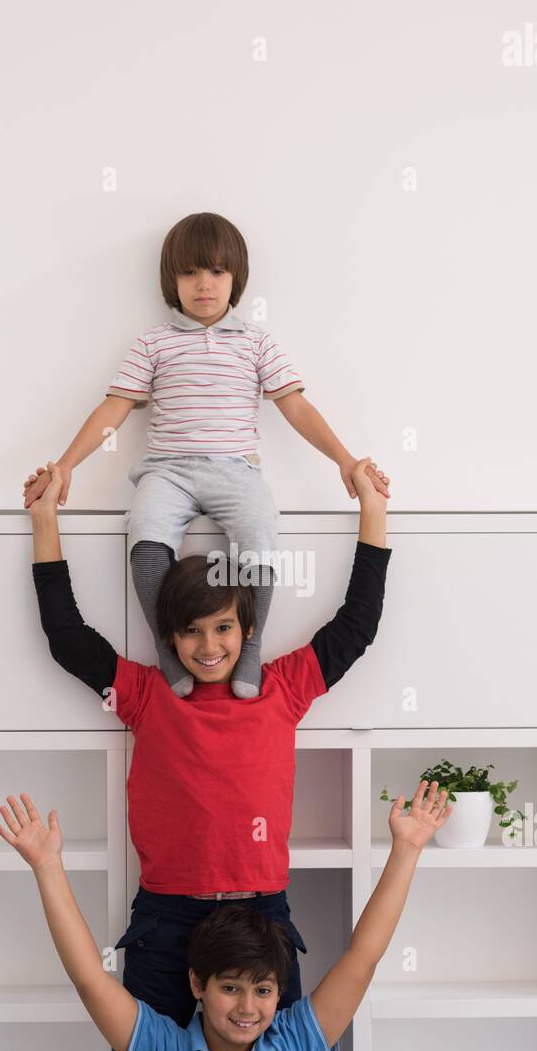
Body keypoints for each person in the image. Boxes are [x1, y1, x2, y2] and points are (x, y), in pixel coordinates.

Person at [28, 455, 391, 1051]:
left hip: (261, 917)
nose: (206, 645)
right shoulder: (145, 693)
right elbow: (68, 639)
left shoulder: (284, 688)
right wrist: (44, 519)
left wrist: (370, 509)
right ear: (169, 637)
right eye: (188, 631)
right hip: (166, 920)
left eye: (221, 627)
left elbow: (355, 628)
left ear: (245, 627)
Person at [0, 777, 452, 1051]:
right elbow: (90, 979)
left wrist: (407, 849)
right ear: (198, 985)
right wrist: (47, 866)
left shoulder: (296, 1046)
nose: (247, 1009)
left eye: (263, 991)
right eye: (230, 988)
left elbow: (363, 957)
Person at [21, 209, 390, 698]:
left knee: (260, 533)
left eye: (216, 271)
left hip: (235, 470)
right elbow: (114, 408)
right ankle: (167, 648)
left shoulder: (256, 342)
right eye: (190, 272)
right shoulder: (153, 344)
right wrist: (66, 464)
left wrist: (345, 461)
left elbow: (295, 407)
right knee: (146, 538)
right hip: (167, 472)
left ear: (235, 278)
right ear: (171, 280)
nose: (203, 284)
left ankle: (250, 648)